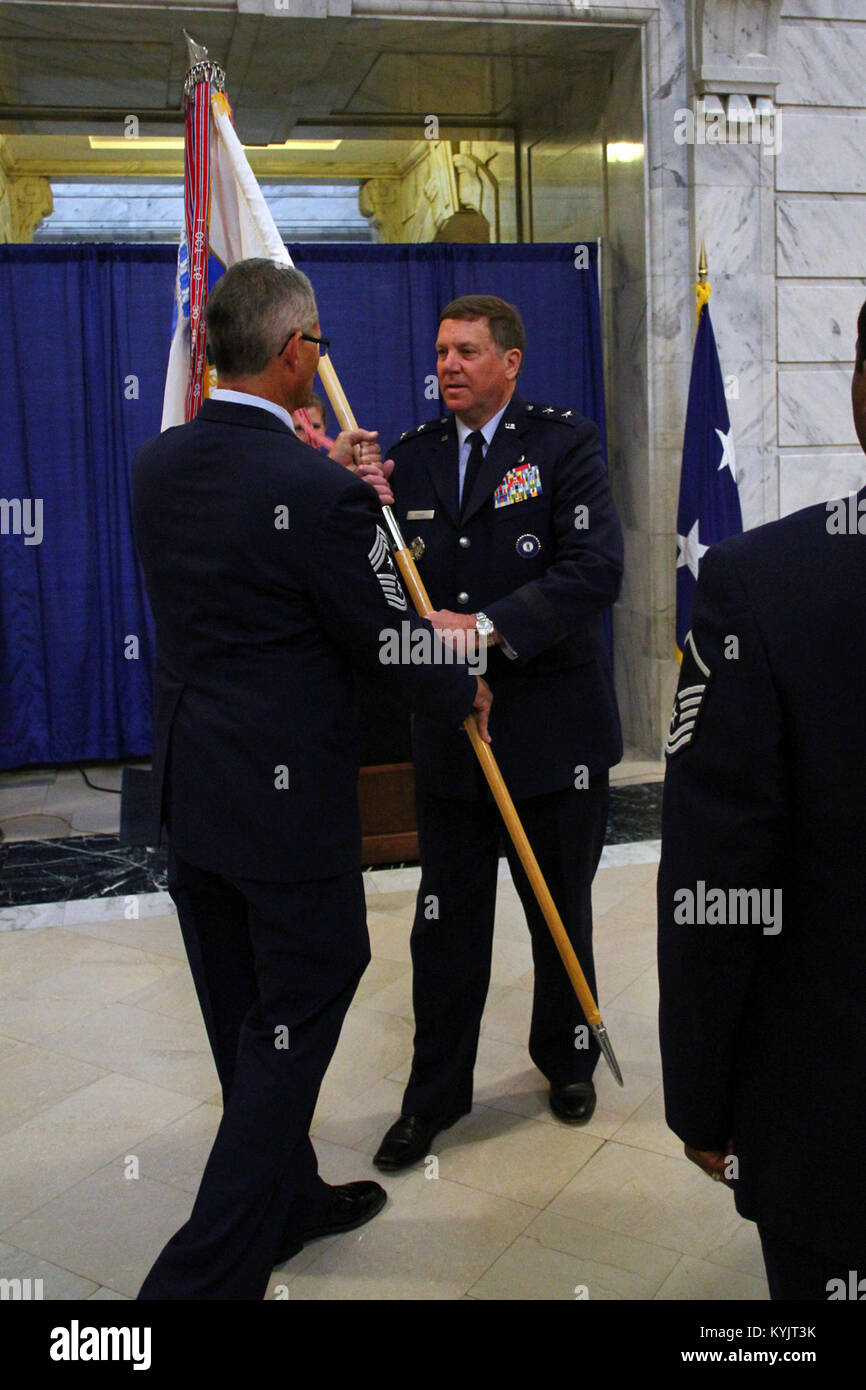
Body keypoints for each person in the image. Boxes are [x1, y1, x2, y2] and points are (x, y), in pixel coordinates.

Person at [132, 258, 491, 1299]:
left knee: (246, 1012)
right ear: (295, 354)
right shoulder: (317, 491)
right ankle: (192, 1284)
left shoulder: (158, 465)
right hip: (284, 814)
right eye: (317, 347)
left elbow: (245, 575)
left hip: (192, 797)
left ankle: (287, 1195)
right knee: (299, 1006)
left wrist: (328, 481)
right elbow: (388, 641)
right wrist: (459, 678)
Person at [360, 294, 623, 1171]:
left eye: (468, 351)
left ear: (510, 361)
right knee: (445, 925)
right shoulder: (414, 457)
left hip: (551, 734)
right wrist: (353, 490)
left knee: (560, 917)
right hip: (451, 739)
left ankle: (567, 1061)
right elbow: (385, 583)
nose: (449, 366)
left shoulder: (562, 445)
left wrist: (482, 630)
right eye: (440, 352)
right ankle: (434, 1096)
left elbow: (596, 569)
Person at [657, 301, 866, 1300]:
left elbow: (716, 878)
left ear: (859, 392)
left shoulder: (763, 587)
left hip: (833, 1126)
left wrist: (701, 1099)